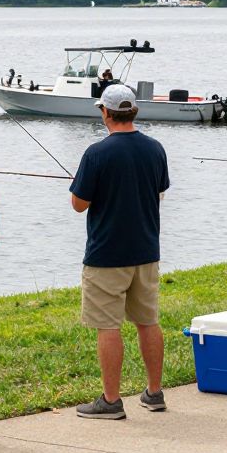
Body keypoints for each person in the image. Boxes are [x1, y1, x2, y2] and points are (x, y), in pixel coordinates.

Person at [70, 84, 170, 419]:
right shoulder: (156, 149)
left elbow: (78, 205)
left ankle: (111, 401)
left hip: (106, 254)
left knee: (108, 326)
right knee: (148, 321)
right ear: (134, 111)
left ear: (105, 112)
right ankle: (154, 393)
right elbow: (158, 194)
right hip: (146, 250)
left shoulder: (96, 154)